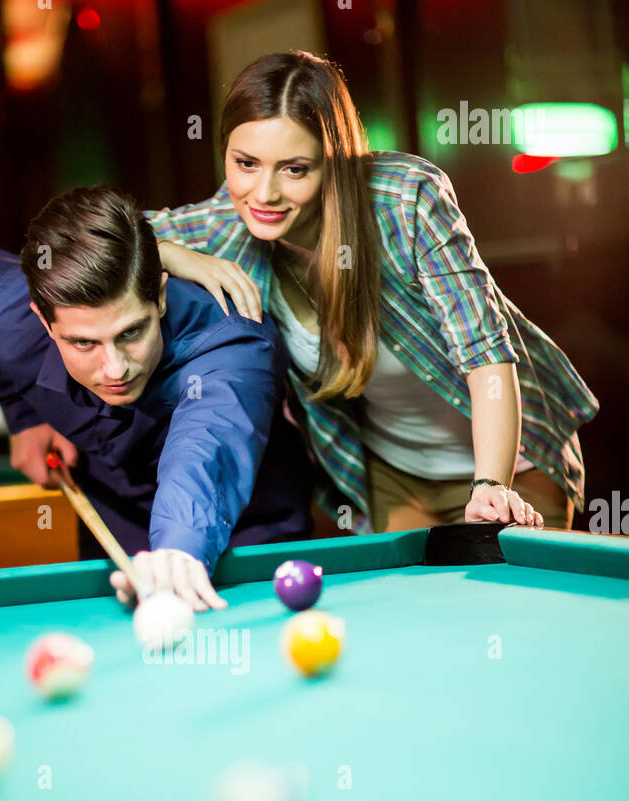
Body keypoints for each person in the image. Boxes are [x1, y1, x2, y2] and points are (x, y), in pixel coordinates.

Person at [145, 51, 599, 535]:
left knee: (517, 607)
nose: (264, 193)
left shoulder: (404, 199)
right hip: (393, 475)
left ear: (334, 162)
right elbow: (80, 241)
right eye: (246, 163)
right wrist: (172, 255)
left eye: (295, 169)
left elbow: (485, 352)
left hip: (514, 468)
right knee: (413, 610)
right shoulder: (225, 223)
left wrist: (490, 484)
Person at [0, 185, 314, 610]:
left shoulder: (231, 343)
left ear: (158, 297)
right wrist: (22, 416)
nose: (115, 368)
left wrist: (178, 550)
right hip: (110, 528)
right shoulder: (6, 320)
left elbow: (204, 449)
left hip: (245, 537)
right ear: (44, 322)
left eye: (131, 333)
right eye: (85, 343)